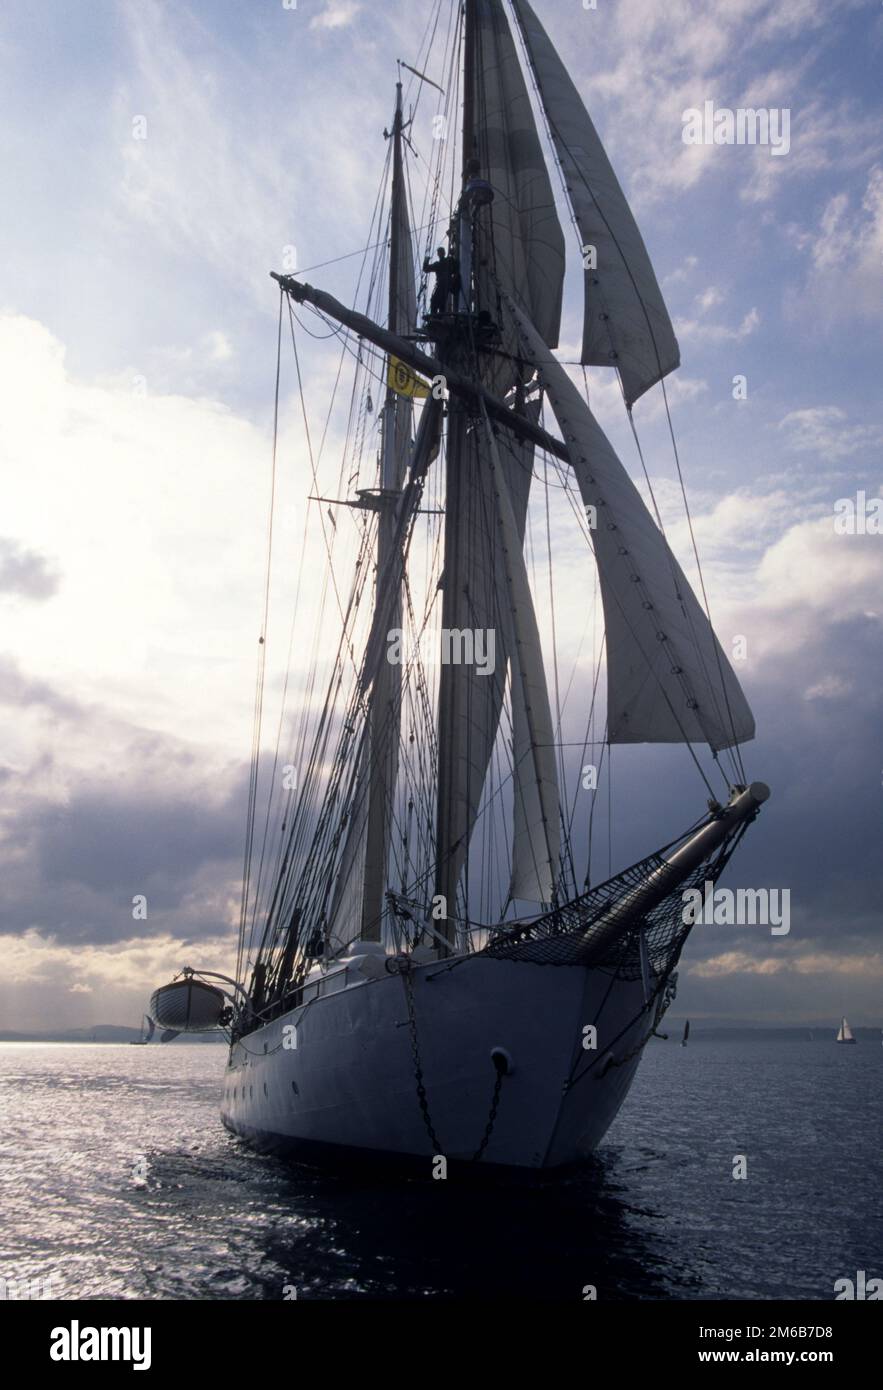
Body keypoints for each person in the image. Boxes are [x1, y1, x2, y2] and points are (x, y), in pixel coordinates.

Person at [423, 246, 459, 317]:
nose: (439, 254)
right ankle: (440, 317)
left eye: (439, 252)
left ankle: (435, 318)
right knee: (442, 302)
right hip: (448, 285)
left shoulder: (439, 264)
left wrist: (426, 260)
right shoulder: (449, 260)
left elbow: (426, 269)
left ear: (439, 254)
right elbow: (456, 267)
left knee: (434, 301)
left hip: (442, 284)